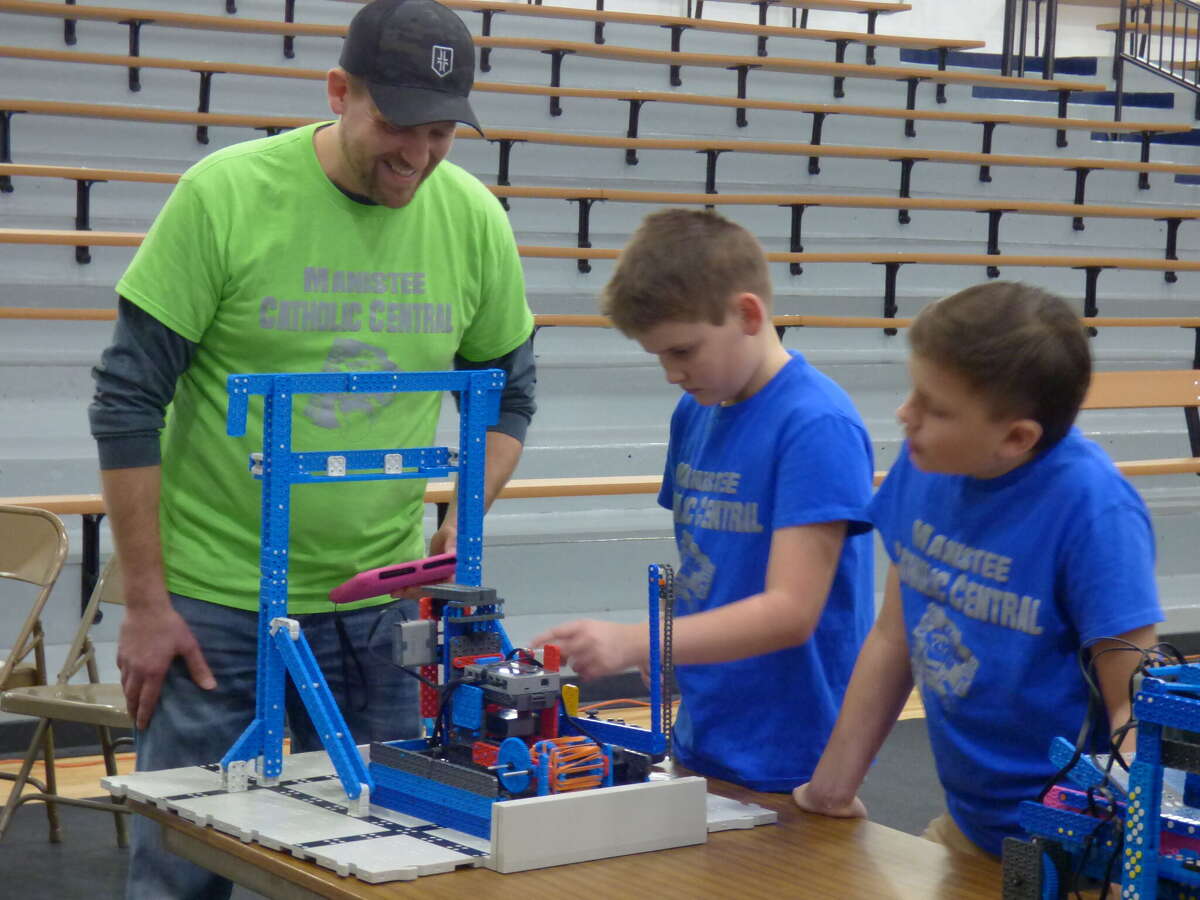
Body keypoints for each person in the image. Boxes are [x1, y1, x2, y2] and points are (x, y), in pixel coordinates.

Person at [87, 1, 535, 897]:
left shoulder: (473, 220)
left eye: (441, 132)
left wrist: (462, 528)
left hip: (379, 611)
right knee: (182, 872)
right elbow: (127, 401)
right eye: (397, 125)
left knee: (404, 861)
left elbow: (507, 395)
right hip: (215, 607)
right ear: (339, 92)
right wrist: (146, 601)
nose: (418, 155)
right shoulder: (225, 195)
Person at [793, 281, 1163, 859]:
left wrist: (1127, 863)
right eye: (914, 392)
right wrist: (830, 789)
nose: (905, 415)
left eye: (935, 408)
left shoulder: (1095, 512)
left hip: (1078, 849)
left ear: (1016, 437)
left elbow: (1133, 710)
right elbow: (894, 637)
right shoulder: (928, 461)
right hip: (969, 826)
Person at [532, 208, 875, 792]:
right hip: (704, 733)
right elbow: (707, 569)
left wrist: (637, 641)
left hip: (794, 753)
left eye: (684, 351)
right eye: (660, 356)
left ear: (748, 315)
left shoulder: (816, 426)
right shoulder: (694, 412)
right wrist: (668, 647)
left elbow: (792, 611)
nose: (672, 373)